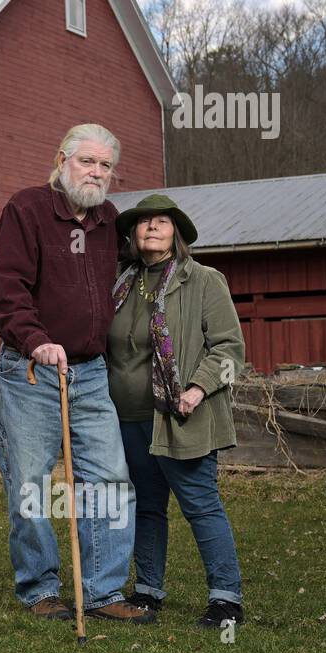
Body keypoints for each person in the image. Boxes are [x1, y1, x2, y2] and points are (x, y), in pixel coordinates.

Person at [0, 124, 151, 623]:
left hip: (91, 373)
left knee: (110, 480)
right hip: (32, 373)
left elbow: (136, 271)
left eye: (105, 166)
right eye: (88, 162)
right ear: (62, 159)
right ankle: (40, 589)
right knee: (31, 484)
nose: (97, 173)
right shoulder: (27, 210)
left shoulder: (109, 221)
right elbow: (8, 294)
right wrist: (37, 342)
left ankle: (103, 593)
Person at [107, 193, 247, 628]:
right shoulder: (120, 283)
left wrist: (197, 388)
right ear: (132, 234)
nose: (151, 227)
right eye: (143, 221)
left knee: (200, 505)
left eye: (162, 222)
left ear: (177, 233)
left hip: (181, 415)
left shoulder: (203, 280)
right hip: (127, 419)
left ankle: (226, 600)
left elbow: (229, 349)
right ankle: (147, 592)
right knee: (146, 507)